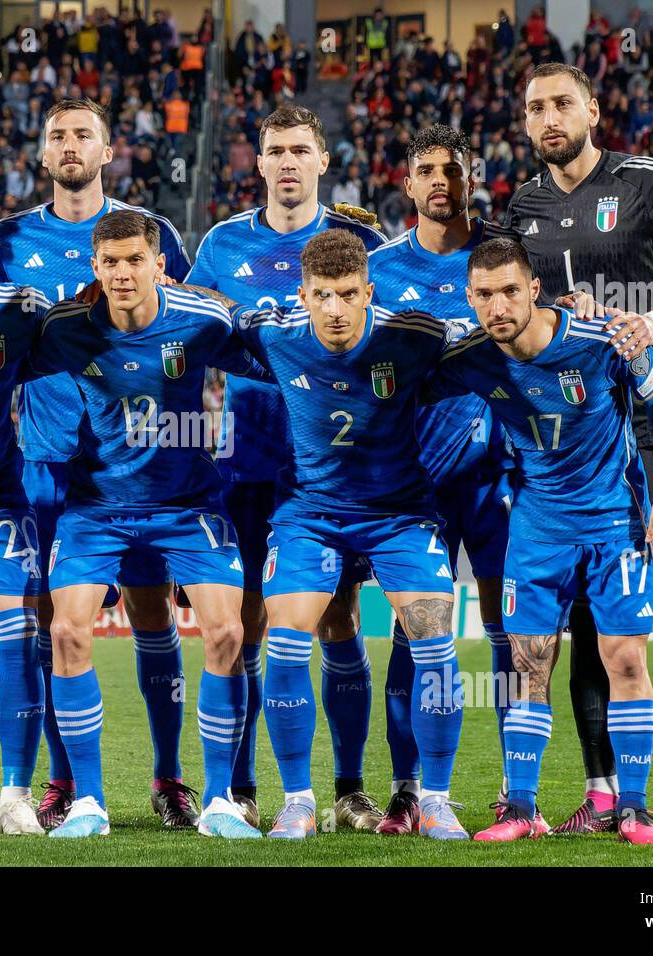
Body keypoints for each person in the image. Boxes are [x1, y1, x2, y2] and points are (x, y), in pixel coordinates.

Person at [508, 62, 653, 839]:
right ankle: (603, 794)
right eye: (535, 107)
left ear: (593, 109)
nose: (548, 117)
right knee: (589, 619)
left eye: (562, 102)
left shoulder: (651, 181)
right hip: (576, 441)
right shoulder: (522, 207)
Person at [191, 230, 469, 841]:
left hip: (400, 514)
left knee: (434, 640)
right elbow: (206, 315)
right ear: (303, 294)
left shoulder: (413, 336)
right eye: (323, 296)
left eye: (349, 295)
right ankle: (297, 800)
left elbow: (504, 344)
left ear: (370, 292)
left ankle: (436, 799)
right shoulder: (275, 333)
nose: (336, 310)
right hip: (309, 513)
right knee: (287, 638)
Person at [433, 238, 653, 845]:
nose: (498, 306)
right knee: (527, 668)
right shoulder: (470, 356)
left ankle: (634, 809)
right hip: (536, 532)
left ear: (534, 290)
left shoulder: (603, 340)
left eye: (510, 292)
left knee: (624, 659)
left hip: (612, 526)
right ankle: (520, 809)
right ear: (470, 298)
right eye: (485, 295)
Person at [27, 209, 266, 840]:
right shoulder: (66, 329)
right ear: (95, 269)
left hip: (189, 508)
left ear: (162, 264)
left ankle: (219, 801)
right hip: (96, 508)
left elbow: (280, 356)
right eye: (111, 262)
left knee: (225, 635)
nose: (124, 272)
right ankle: (89, 803)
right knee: (69, 633)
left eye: (137, 259)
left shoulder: (204, 321)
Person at [0, 98, 196, 831]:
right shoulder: (8, 237)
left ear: (109, 149)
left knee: (149, 613)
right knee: (55, 622)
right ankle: (65, 780)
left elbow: (191, 328)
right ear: (42, 155)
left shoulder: (153, 232)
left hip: (139, 462)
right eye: (56, 136)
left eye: (83, 134)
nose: (69, 145)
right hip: (45, 464)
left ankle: (169, 778)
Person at [185, 104, 387, 831]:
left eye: (302, 149)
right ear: (260, 163)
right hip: (244, 459)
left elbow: (388, 343)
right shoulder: (220, 243)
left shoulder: (361, 239)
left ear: (323, 161)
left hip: (332, 466)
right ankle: (238, 788)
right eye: (276, 151)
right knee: (241, 624)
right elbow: (193, 333)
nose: (289, 162)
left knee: (337, 620)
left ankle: (349, 787)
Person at [366, 124, 529, 834]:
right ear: (407, 184)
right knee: (415, 633)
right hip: (417, 487)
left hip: (500, 479)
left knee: (510, 632)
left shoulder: (504, 258)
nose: (441, 181)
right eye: (427, 169)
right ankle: (407, 790)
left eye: (453, 170)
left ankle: (511, 789)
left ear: (473, 178)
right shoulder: (381, 268)